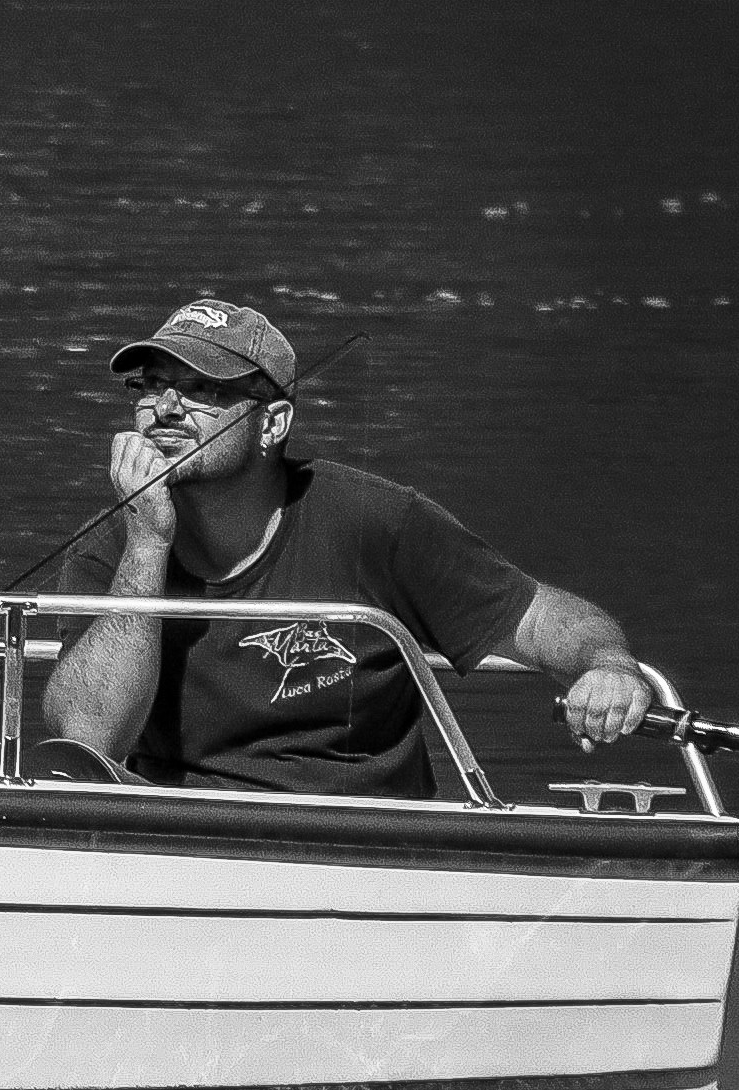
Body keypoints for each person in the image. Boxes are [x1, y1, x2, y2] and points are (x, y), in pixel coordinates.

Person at [39, 300, 652, 795]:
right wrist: (149, 540)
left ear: (272, 424)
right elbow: (90, 743)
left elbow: (541, 618)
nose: (164, 409)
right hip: (185, 837)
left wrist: (609, 668)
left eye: (203, 390)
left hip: (365, 846)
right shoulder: (111, 544)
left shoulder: (377, 520)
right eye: (150, 386)